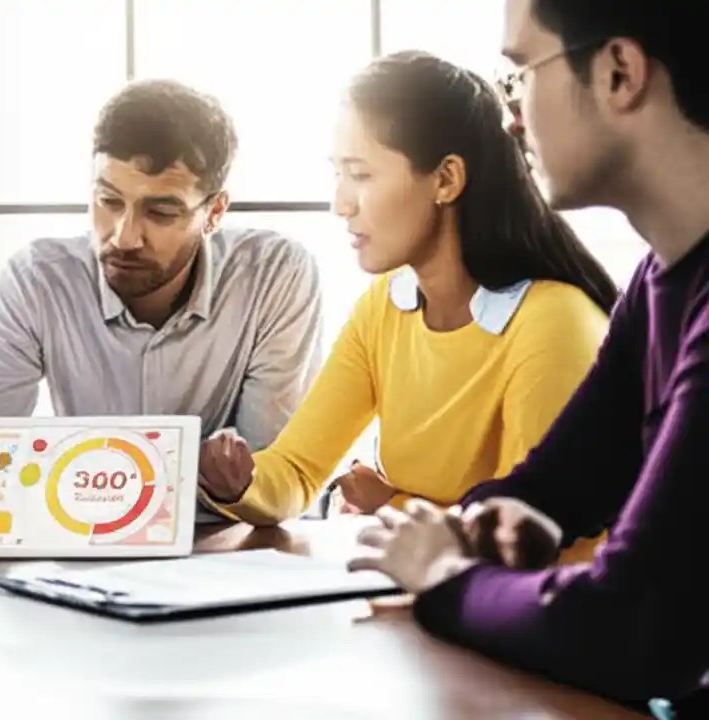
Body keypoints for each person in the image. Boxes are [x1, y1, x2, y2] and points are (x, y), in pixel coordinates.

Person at [350, 0, 709, 710]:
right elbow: (562, 479)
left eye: (519, 76)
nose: (510, 119)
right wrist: (481, 522)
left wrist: (447, 576)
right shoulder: (660, 275)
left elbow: (631, 626)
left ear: (618, 72)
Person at [198, 52, 617, 554]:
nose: (340, 202)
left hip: (532, 616)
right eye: (339, 173)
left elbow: (532, 537)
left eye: (361, 174)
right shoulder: (385, 308)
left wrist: (391, 505)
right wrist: (237, 483)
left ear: (446, 179)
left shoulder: (553, 323)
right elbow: (296, 470)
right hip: (430, 596)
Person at [0, 78, 324, 512]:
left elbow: (275, 474)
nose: (125, 236)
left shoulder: (273, 277)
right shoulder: (38, 282)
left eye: (161, 212)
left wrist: (238, 483)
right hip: (79, 542)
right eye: (108, 200)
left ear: (215, 212)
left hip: (221, 544)